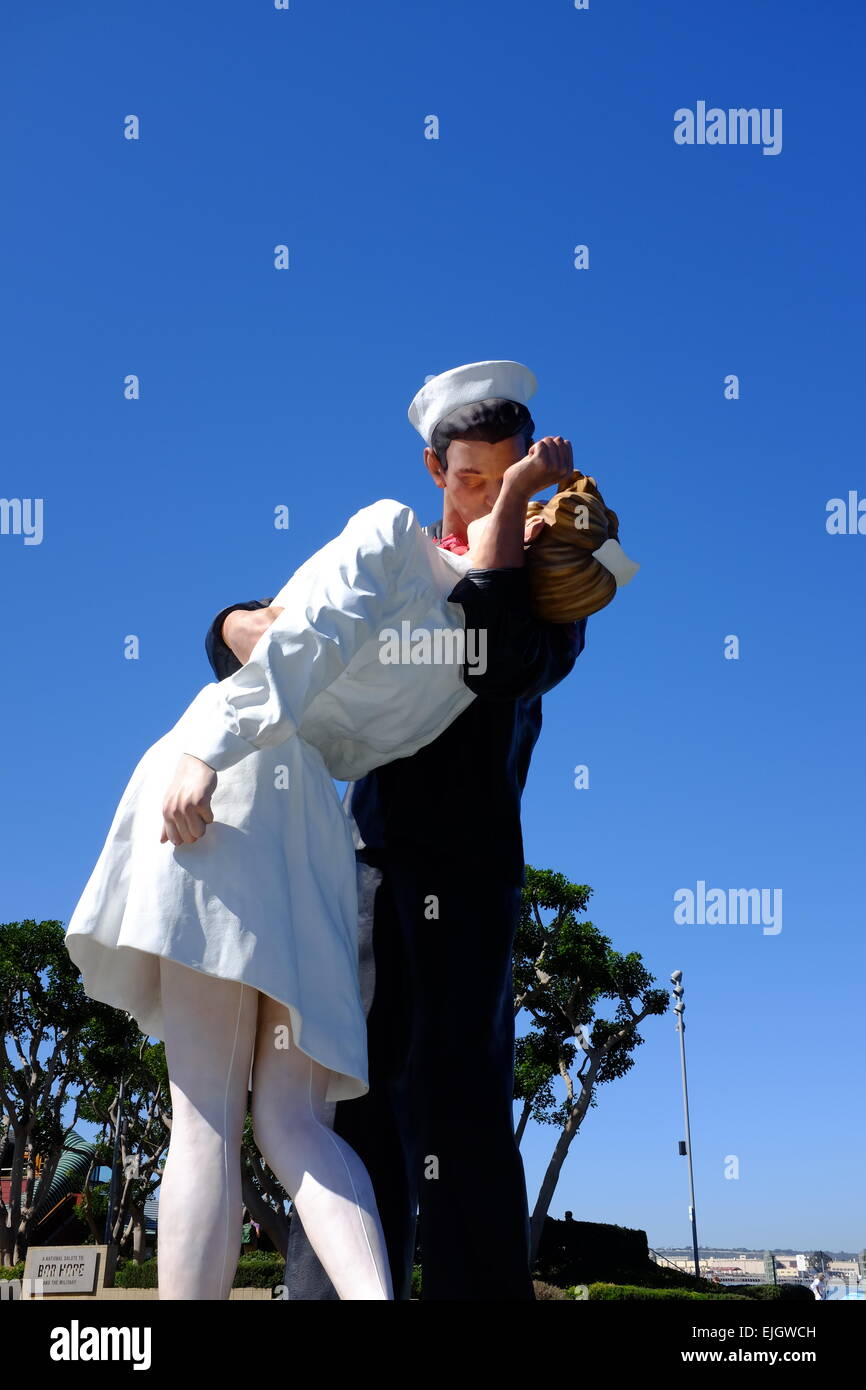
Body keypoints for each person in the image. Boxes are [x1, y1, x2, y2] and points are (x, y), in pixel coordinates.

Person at [63, 370, 592, 1299]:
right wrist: (229, 625)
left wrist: (511, 512)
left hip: (457, 877)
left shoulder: (540, 601)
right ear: (435, 467)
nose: (493, 495)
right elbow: (289, 643)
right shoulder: (395, 548)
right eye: (474, 478)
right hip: (341, 859)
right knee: (338, 1109)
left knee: (451, 1106)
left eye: (514, 479)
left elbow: (489, 647)